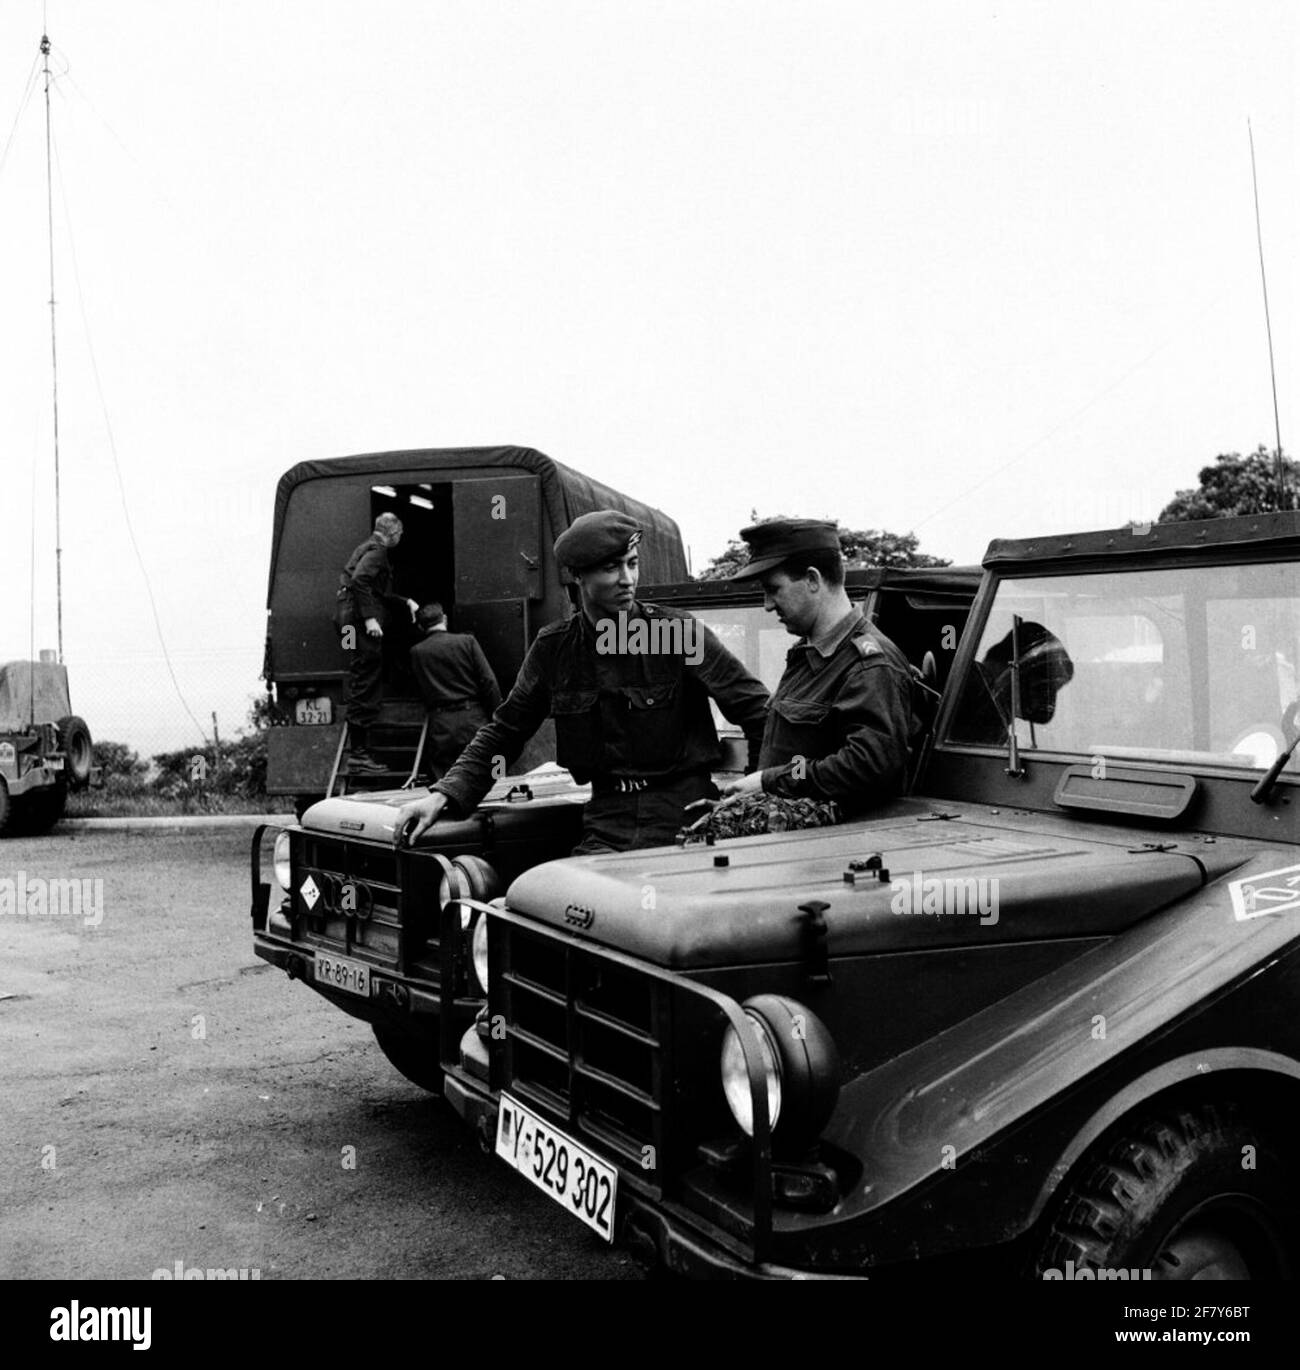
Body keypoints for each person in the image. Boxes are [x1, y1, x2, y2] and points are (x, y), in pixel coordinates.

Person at [394, 510, 769, 854]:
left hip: (687, 820)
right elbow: (504, 732)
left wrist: (757, 793)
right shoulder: (556, 649)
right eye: (611, 568)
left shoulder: (674, 633)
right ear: (577, 576)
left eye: (632, 564)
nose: (627, 580)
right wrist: (444, 794)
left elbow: (757, 711)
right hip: (607, 822)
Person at [704, 518, 919, 820]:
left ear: (813, 580)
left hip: (834, 853)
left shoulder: (869, 663)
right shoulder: (808, 656)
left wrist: (770, 781)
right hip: (792, 840)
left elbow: (867, 765)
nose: (767, 605)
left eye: (773, 589)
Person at [336, 512, 419, 775]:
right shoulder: (378, 551)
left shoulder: (367, 548)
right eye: (401, 534)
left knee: (364, 671)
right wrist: (371, 618)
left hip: (348, 618)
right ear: (392, 533)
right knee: (366, 677)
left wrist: (405, 601)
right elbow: (360, 580)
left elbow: (376, 589)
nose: (401, 538)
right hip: (358, 621)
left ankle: (360, 752)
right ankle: (359, 756)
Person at [408, 602, 503, 781]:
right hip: (473, 719)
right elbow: (489, 681)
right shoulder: (467, 642)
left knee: (446, 782)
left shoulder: (416, 652)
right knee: (486, 774)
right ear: (444, 619)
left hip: (441, 725)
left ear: (421, 627)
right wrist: (497, 717)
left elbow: (419, 688)